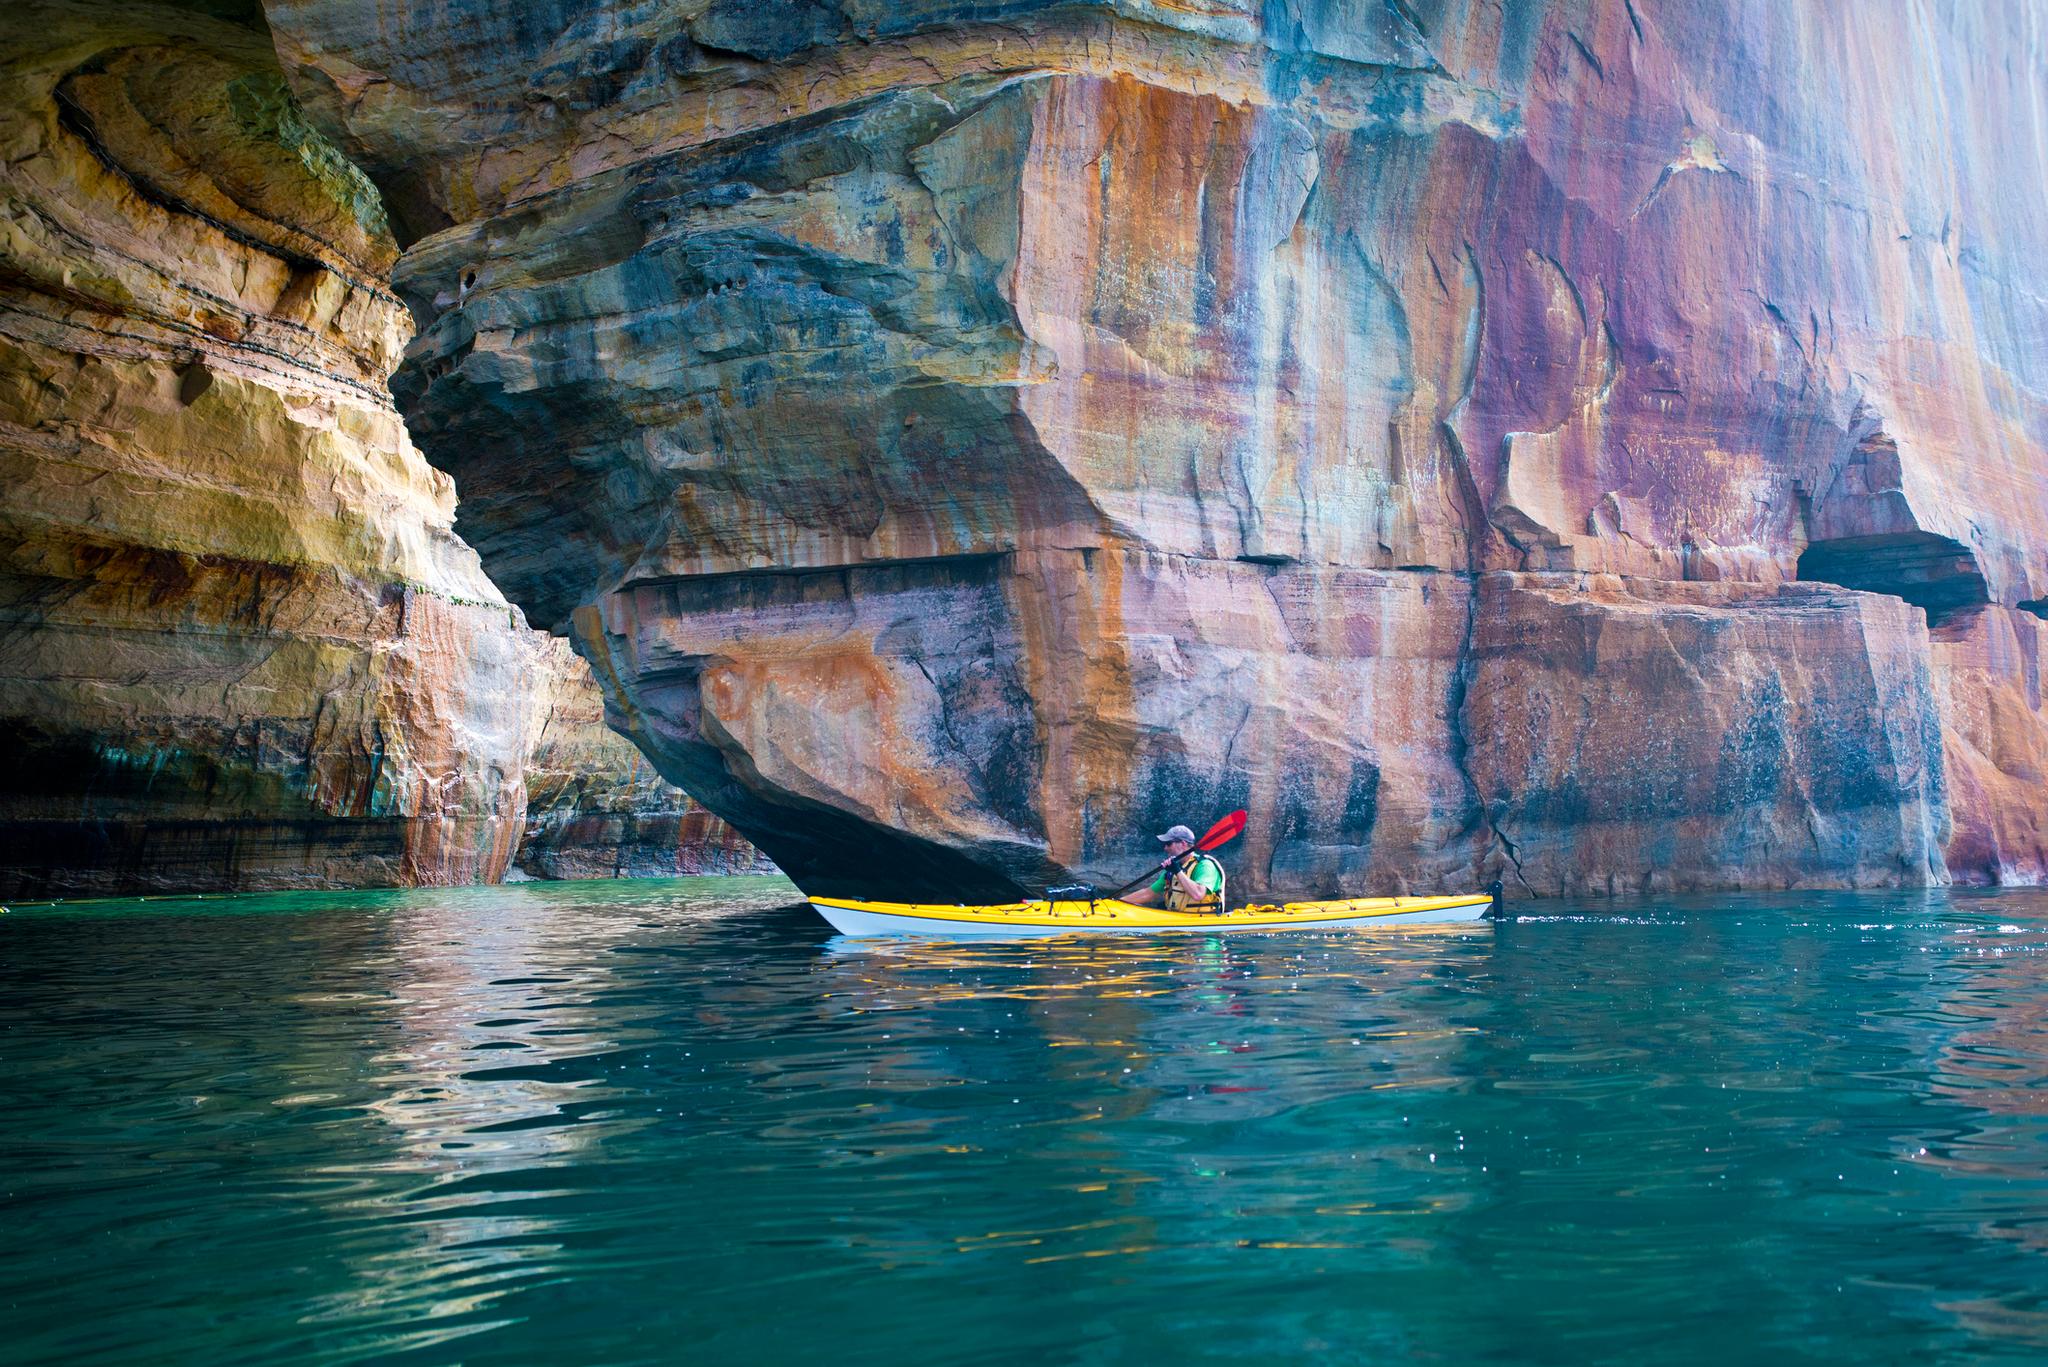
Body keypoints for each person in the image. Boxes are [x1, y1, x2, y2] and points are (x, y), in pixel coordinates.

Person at [1124, 824, 1227, 912]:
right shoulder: (1172, 869)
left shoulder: (1205, 866)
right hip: (1177, 919)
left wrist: (1178, 871)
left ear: (1183, 844)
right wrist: (1115, 902)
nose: (1165, 848)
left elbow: (1198, 894)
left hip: (1202, 928)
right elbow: (1148, 893)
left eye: (1169, 844)